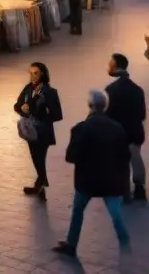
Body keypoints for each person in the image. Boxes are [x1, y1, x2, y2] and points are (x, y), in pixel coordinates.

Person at [53, 89, 130, 257]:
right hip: (111, 181)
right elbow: (125, 157)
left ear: (90, 105)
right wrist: (124, 184)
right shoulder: (117, 128)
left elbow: (70, 156)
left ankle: (71, 244)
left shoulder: (81, 128)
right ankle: (125, 243)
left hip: (87, 181)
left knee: (78, 211)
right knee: (116, 213)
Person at [13, 62, 63, 200]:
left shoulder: (50, 92)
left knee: (39, 158)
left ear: (43, 74)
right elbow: (17, 105)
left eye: (36, 73)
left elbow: (57, 115)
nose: (33, 76)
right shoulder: (28, 89)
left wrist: (42, 114)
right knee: (36, 158)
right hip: (30, 130)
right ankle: (40, 183)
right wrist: (22, 110)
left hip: (43, 131)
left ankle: (40, 184)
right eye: (31, 73)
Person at [105, 53, 147, 201]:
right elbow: (142, 114)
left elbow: (108, 114)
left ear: (116, 67)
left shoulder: (110, 90)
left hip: (120, 133)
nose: (108, 66)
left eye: (110, 64)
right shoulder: (137, 89)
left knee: (121, 163)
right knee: (136, 158)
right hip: (136, 132)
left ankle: (124, 192)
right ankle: (139, 188)